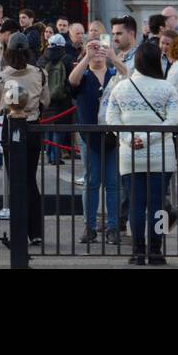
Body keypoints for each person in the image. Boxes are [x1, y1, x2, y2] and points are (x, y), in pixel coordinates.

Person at [105, 41, 178, 265]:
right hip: (161, 154)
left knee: (136, 203)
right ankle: (156, 251)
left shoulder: (121, 87)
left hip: (130, 154)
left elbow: (111, 119)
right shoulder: (167, 88)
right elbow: (173, 120)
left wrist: (130, 139)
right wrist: (151, 138)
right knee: (158, 204)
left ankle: (138, 251)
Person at [0, 32, 52, 246]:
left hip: (10, 126)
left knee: (15, 180)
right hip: (32, 126)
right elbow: (47, 100)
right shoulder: (40, 74)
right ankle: (35, 231)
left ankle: (18, 230)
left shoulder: (0, 77)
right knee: (30, 179)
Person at [69, 33, 122, 246]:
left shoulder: (113, 74)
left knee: (112, 183)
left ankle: (112, 227)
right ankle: (89, 226)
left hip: (112, 135)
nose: (97, 52)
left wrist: (114, 58)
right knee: (91, 182)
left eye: (101, 48)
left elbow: (129, 77)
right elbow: (71, 82)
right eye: (93, 48)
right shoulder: (83, 75)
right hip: (89, 135)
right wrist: (85, 58)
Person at [37, 31, 76, 165]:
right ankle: (55, 156)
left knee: (48, 127)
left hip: (46, 98)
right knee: (59, 128)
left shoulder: (43, 59)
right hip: (62, 99)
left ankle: (49, 155)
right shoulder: (66, 59)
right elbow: (71, 79)